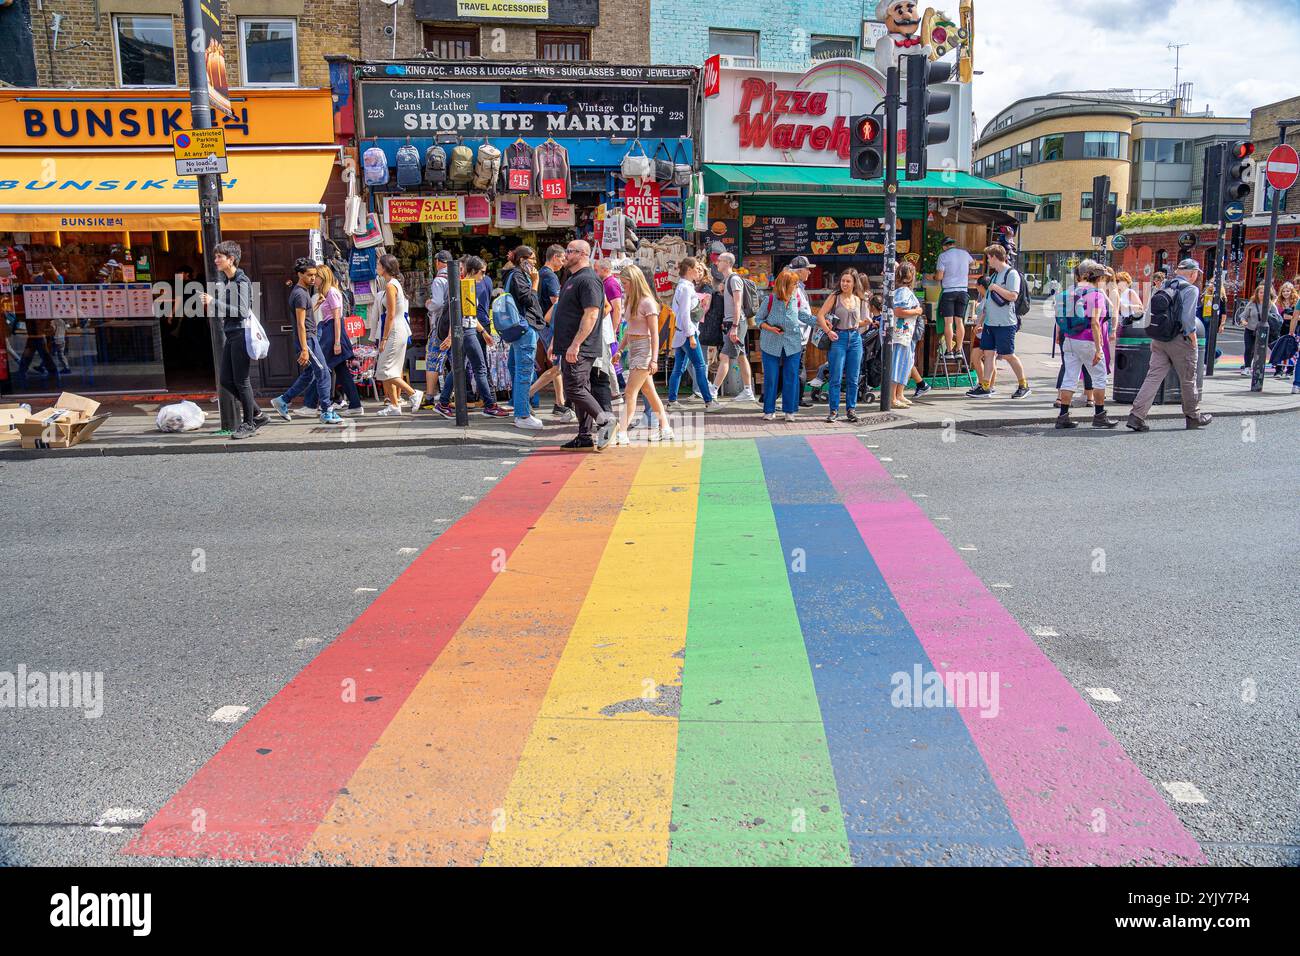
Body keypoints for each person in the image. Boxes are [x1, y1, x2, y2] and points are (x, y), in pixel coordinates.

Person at [1127, 258, 1212, 432]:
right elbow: (1187, 319)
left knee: (1153, 377)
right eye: (1196, 274)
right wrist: (1193, 340)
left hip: (1159, 338)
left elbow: (1150, 312)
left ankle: (1137, 416)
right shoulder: (1191, 289)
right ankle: (1193, 416)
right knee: (1188, 379)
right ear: (1192, 273)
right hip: (1180, 340)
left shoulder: (1164, 285)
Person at [549, 240, 617, 450]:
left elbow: (592, 314)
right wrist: (555, 342)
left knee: (575, 388)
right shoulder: (572, 279)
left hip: (581, 347)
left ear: (582, 254)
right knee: (580, 389)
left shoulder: (588, 279)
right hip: (568, 345)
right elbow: (565, 313)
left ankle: (604, 420)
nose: (565, 255)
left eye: (569, 251)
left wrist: (576, 344)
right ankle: (584, 435)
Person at [432, 256, 509, 419]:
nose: (483, 276)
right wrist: (453, 336)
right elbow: (458, 315)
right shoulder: (464, 286)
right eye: (482, 272)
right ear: (473, 271)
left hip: (469, 330)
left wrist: (484, 332)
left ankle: (443, 402)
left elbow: (470, 315)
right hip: (466, 332)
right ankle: (489, 405)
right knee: (479, 368)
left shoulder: (467, 285)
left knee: (459, 368)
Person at [201, 240, 264, 439]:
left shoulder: (241, 281)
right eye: (216, 256)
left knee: (241, 380)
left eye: (220, 256)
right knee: (227, 380)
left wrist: (214, 302)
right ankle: (258, 415)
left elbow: (243, 311)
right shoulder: (230, 281)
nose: (216, 260)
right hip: (232, 334)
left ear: (231, 259)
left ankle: (249, 424)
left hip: (240, 334)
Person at [270, 258, 344, 425]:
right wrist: (304, 348)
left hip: (309, 338)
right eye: (309, 275)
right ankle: (326, 411)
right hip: (308, 340)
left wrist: (316, 305)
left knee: (310, 374)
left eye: (314, 275)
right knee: (324, 372)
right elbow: (300, 324)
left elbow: (305, 319)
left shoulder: (302, 293)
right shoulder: (300, 294)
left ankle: (283, 400)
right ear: (300, 274)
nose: (313, 278)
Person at [1055, 259, 1118, 429]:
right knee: (1099, 378)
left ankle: (1063, 416)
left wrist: (1060, 335)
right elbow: (1095, 323)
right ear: (1097, 278)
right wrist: (1099, 349)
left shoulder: (1070, 292)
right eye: (1103, 278)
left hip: (1069, 339)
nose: (1104, 281)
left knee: (1070, 376)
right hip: (1088, 341)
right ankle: (1099, 416)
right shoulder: (1095, 295)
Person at [614, 264, 673, 445]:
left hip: (644, 349)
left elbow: (654, 334)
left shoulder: (647, 302)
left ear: (634, 281)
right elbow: (629, 330)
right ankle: (665, 428)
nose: (623, 287)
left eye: (625, 283)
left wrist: (654, 359)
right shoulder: (631, 299)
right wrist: (621, 349)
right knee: (649, 391)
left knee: (630, 392)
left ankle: (622, 431)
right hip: (634, 347)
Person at [966, 244, 1031, 399]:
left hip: (1005, 323)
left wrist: (996, 288)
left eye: (988, 258)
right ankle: (986, 386)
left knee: (1008, 354)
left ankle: (1024, 385)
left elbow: (1013, 296)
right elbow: (988, 301)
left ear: (994, 257)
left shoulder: (1011, 274)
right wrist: (981, 321)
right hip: (990, 323)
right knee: (988, 354)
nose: (988, 261)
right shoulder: (995, 275)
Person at [303, 263, 364, 417]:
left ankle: (310, 404)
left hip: (333, 333)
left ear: (322, 277)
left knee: (321, 368)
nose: (313, 279)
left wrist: (337, 342)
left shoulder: (332, 292)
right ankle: (355, 404)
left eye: (315, 276)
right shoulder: (326, 293)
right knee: (340, 371)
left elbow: (337, 318)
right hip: (329, 331)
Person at [756, 270, 813, 422]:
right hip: (770, 343)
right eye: (794, 284)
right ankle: (769, 410)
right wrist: (770, 328)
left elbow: (804, 316)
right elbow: (758, 319)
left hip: (793, 343)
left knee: (791, 377)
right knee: (771, 377)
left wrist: (821, 322)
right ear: (785, 285)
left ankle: (790, 411)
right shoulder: (769, 300)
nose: (796, 286)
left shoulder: (796, 300)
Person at [815, 268, 871, 423]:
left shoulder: (858, 299)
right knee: (835, 377)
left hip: (855, 338)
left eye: (848, 281)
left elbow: (856, 323)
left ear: (854, 283)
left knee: (853, 378)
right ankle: (833, 411)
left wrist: (865, 323)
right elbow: (820, 315)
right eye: (843, 280)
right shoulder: (835, 297)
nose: (845, 284)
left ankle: (851, 410)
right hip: (838, 338)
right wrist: (828, 331)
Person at [372, 254, 422, 417]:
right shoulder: (392, 284)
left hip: (394, 330)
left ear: (385, 267)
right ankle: (394, 405)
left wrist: (384, 338)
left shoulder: (391, 286)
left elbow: (391, 314)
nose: (377, 267)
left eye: (379, 264)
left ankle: (413, 393)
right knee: (389, 369)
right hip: (397, 329)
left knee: (385, 370)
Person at [528, 244, 574, 421]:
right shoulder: (551, 277)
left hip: (543, 325)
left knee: (557, 365)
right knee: (557, 367)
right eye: (562, 259)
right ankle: (527, 396)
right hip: (551, 327)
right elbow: (558, 304)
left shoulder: (540, 274)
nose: (563, 262)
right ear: (555, 257)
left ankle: (559, 402)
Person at [665, 257, 719, 411]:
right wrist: (690, 336)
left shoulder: (683, 287)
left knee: (679, 368)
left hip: (681, 333)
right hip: (688, 334)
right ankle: (708, 401)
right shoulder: (686, 288)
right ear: (689, 270)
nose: (698, 271)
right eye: (696, 268)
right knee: (700, 366)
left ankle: (672, 401)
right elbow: (684, 314)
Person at [502, 245, 545, 430]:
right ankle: (523, 414)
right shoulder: (519, 276)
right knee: (524, 372)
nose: (535, 263)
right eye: (532, 259)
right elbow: (528, 299)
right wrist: (535, 282)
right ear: (522, 260)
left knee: (516, 367)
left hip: (518, 329)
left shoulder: (513, 274)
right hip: (524, 328)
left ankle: (518, 405)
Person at [709, 253, 757, 404]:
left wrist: (734, 327)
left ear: (728, 263)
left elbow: (738, 304)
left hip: (736, 323)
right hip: (733, 322)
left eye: (720, 261)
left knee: (724, 357)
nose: (717, 263)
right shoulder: (728, 280)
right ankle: (748, 390)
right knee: (741, 357)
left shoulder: (735, 279)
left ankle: (713, 390)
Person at [887, 261, 925, 409]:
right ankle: (892, 397)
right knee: (898, 363)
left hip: (903, 334)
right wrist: (917, 311)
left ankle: (898, 395)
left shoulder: (900, 290)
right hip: (900, 334)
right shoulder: (903, 291)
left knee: (904, 363)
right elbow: (898, 311)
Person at [422, 250, 452, 407]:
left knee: (433, 359)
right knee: (452, 362)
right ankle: (451, 393)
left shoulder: (439, 280)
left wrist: (428, 304)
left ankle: (429, 396)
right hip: (453, 327)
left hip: (441, 325)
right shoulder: (456, 277)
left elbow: (438, 303)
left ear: (438, 262)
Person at [934, 237, 973, 355]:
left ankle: (950, 350)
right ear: (953, 244)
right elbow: (974, 264)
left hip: (949, 292)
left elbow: (939, 276)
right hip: (963, 291)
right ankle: (959, 349)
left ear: (944, 246)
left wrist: (933, 277)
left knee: (949, 322)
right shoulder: (965, 254)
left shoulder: (943, 256)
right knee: (959, 321)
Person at [788, 255, 817, 407]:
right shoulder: (794, 288)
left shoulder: (799, 287)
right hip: (797, 336)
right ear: (799, 271)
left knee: (797, 368)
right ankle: (795, 400)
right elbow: (799, 313)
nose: (809, 272)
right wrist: (818, 321)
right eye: (807, 269)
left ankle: (794, 399)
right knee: (798, 369)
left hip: (800, 336)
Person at [1239, 283, 1279, 379]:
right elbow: (1243, 315)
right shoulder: (1252, 303)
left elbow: (1277, 318)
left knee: (1262, 349)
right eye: (1260, 292)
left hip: (1263, 331)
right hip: (1250, 330)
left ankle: (1260, 367)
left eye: (1265, 293)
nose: (1262, 295)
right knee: (1249, 348)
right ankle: (1247, 367)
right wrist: (1243, 321)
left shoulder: (1271, 305)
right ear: (1257, 293)